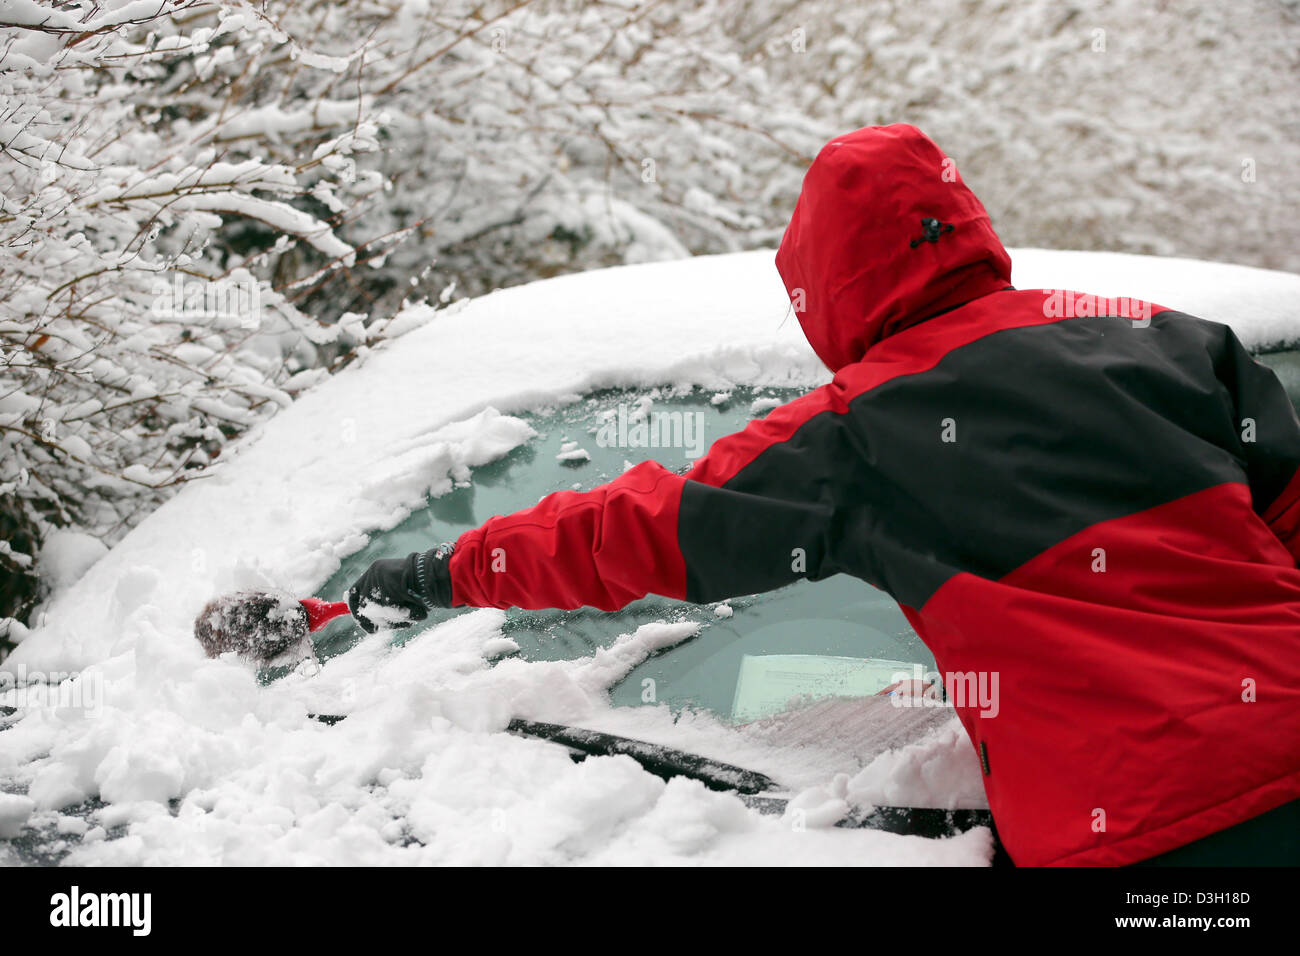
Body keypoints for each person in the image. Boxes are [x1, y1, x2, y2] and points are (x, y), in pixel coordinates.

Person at [347, 124, 1300, 867]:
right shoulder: (1168, 341)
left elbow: (637, 533)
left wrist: (442, 570)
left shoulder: (856, 432)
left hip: (1152, 838)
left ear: (824, 290)